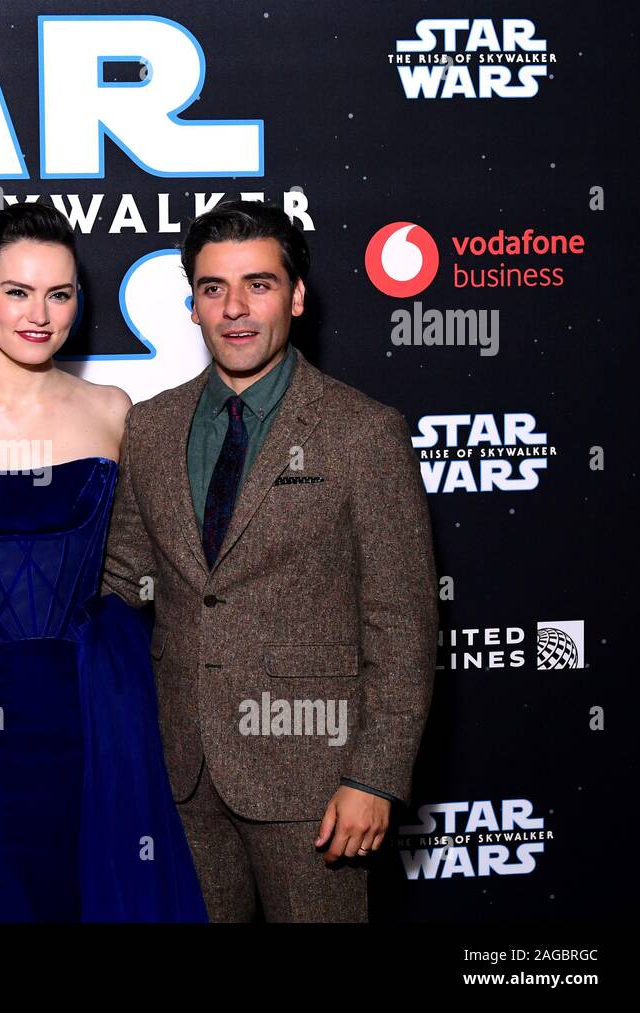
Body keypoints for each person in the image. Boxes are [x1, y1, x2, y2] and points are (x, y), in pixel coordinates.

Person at [99, 201, 438, 921]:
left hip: (315, 781)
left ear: (297, 295)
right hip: (182, 775)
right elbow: (122, 577)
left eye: (259, 283)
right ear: (192, 304)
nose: (235, 308)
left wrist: (374, 777)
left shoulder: (363, 432)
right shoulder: (152, 426)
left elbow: (403, 622)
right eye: (214, 288)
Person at [0, 201, 206, 922]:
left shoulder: (112, 410)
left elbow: (152, 552)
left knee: (101, 889)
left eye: (60, 294)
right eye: (17, 291)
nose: (41, 314)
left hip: (97, 697)